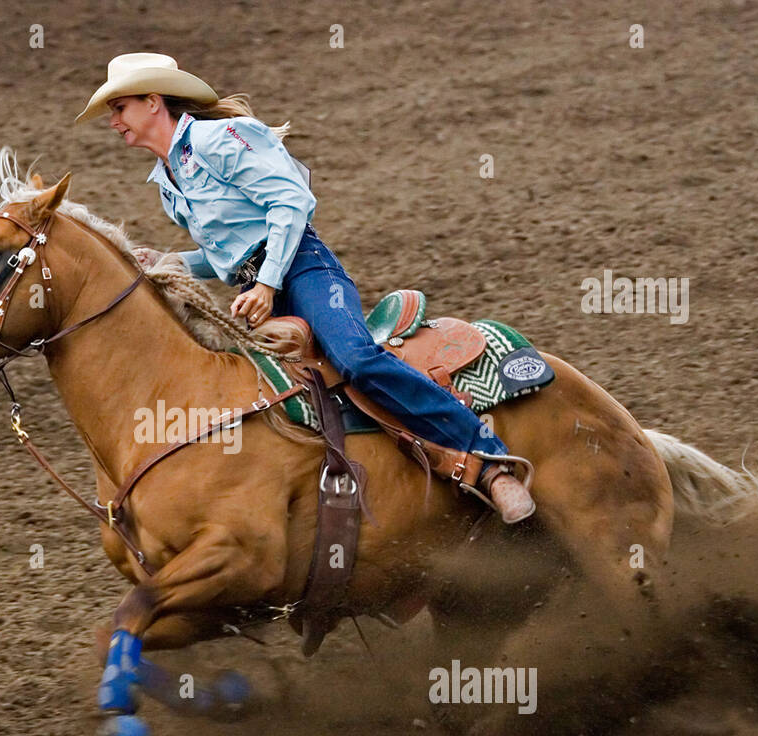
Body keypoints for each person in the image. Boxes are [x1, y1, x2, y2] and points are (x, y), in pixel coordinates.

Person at [74, 53, 535, 523]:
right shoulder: (166, 179)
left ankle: (491, 462)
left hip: (302, 269)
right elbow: (226, 256)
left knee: (355, 358)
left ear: (153, 102)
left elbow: (291, 201)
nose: (113, 122)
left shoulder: (218, 138)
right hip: (255, 292)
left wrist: (269, 284)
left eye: (120, 108)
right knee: (258, 404)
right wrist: (172, 264)